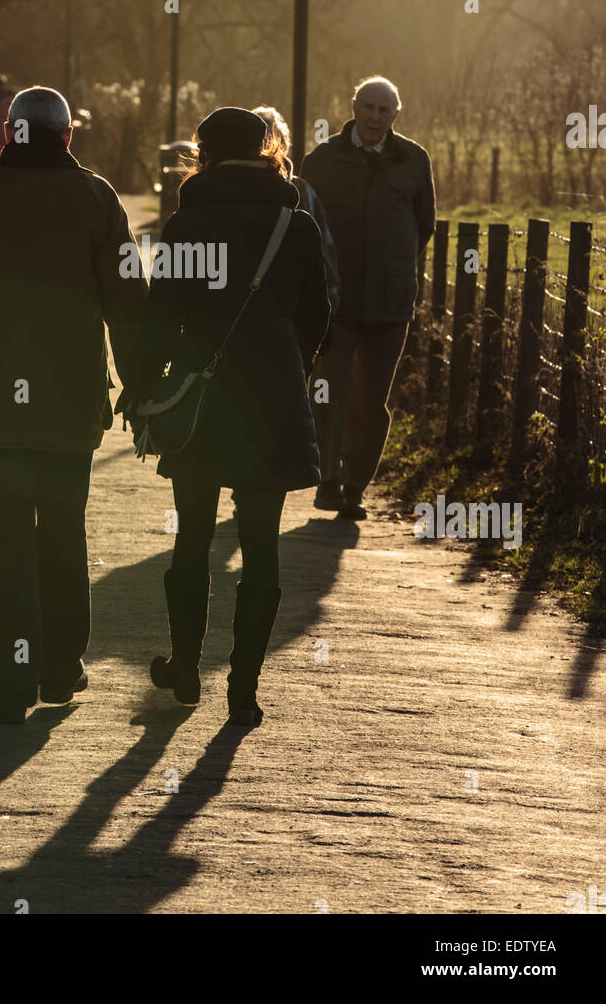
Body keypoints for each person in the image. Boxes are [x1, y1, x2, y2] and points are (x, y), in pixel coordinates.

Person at [0, 86, 148, 724]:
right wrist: (143, 387)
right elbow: (127, 302)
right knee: (63, 534)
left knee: (6, 542)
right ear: (68, 137)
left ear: (9, 132)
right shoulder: (98, 198)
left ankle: (8, 689)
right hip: (70, 401)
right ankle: (61, 668)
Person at [124, 107, 330, 727]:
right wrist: (288, 362)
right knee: (260, 544)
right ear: (267, 150)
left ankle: (185, 668)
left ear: (204, 155)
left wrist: (142, 387)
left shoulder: (188, 226)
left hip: (200, 398)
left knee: (192, 537)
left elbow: (162, 317)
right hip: (272, 397)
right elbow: (317, 315)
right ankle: (243, 688)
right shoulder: (297, 226)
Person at [299, 76, 436, 521]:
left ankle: (355, 486)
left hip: (390, 305)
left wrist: (395, 270)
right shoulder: (321, 161)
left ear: (396, 116)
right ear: (353, 107)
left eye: (384, 111)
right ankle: (327, 480)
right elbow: (302, 226)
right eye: (368, 108)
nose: (375, 118)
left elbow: (424, 226)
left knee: (372, 398)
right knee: (328, 390)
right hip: (333, 301)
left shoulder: (414, 160)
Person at [252, 105, 340, 313]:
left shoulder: (303, 191)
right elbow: (323, 250)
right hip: (291, 305)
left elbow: (322, 250)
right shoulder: (302, 191)